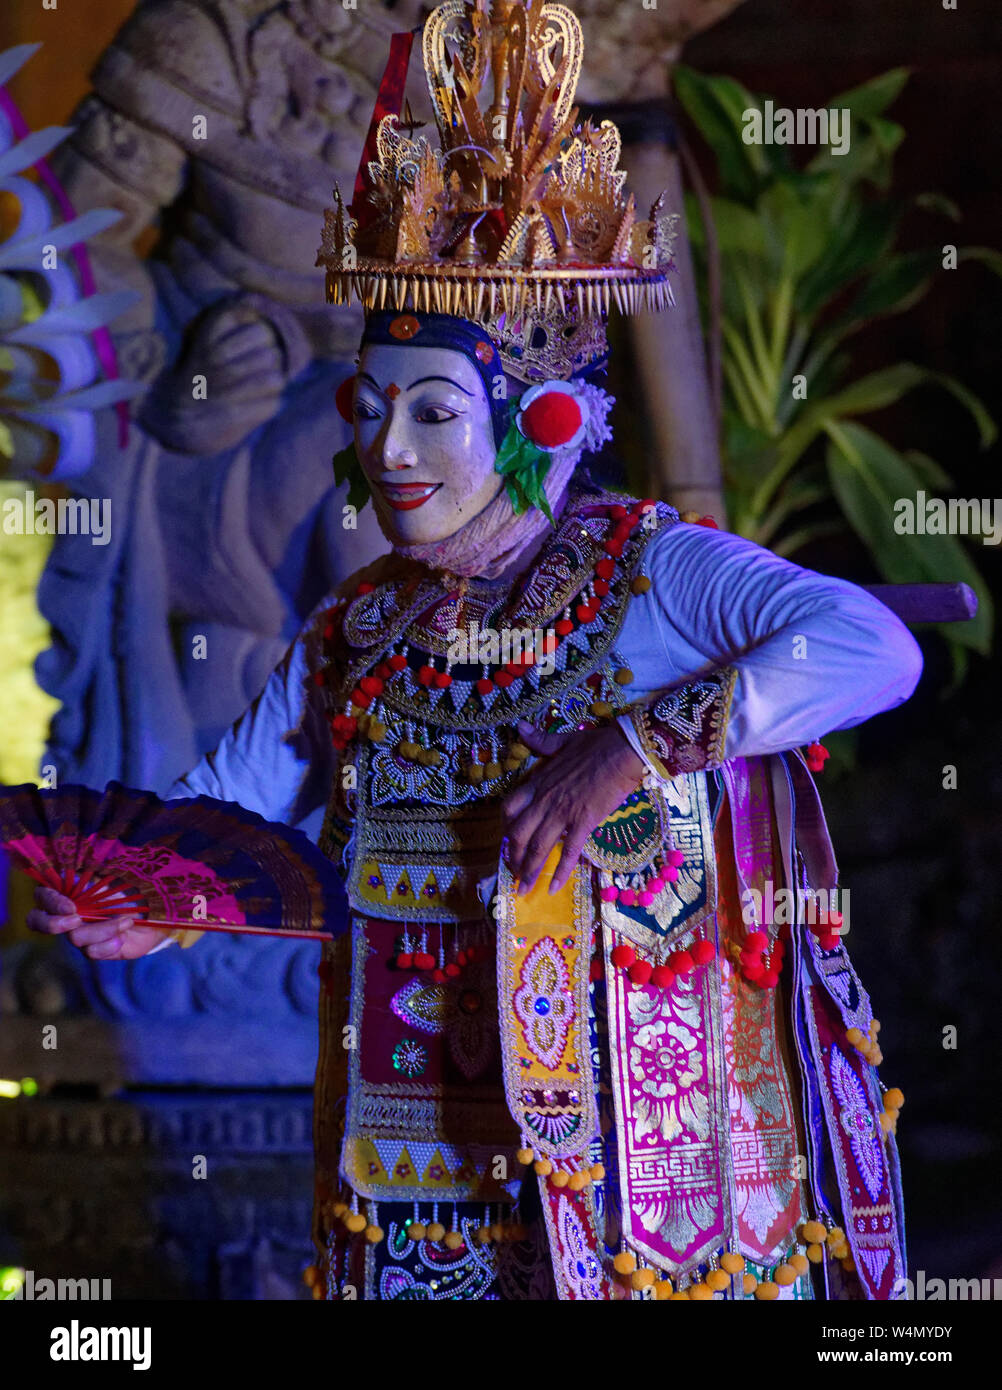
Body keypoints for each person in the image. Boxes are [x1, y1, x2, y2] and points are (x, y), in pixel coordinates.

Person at [28, 0, 922, 1301]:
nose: (387, 452)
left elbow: (871, 644)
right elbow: (237, 805)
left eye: (433, 413)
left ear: (544, 422)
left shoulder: (650, 573)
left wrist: (629, 744)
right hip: (413, 1180)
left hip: (643, 1198)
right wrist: (153, 894)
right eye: (373, 408)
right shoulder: (365, 627)